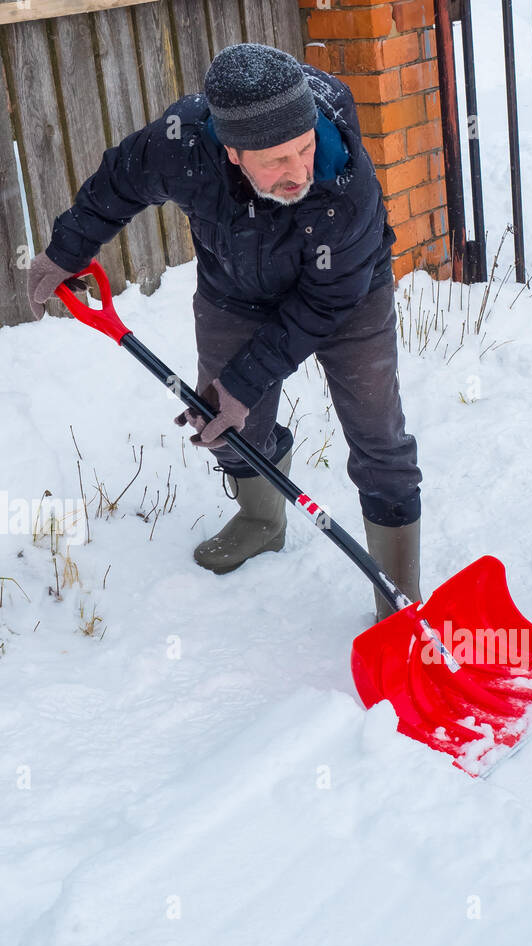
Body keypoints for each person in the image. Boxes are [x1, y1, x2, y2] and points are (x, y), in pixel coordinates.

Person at [27, 42, 422, 620]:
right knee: (227, 424)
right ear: (232, 151)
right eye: (277, 160)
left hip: (346, 297)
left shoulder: (343, 182)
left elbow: (323, 305)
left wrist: (246, 379)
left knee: (377, 432)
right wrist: (65, 251)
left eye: (304, 148)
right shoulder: (180, 147)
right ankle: (262, 520)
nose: (299, 172)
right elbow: (120, 181)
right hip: (235, 291)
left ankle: (399, 593)